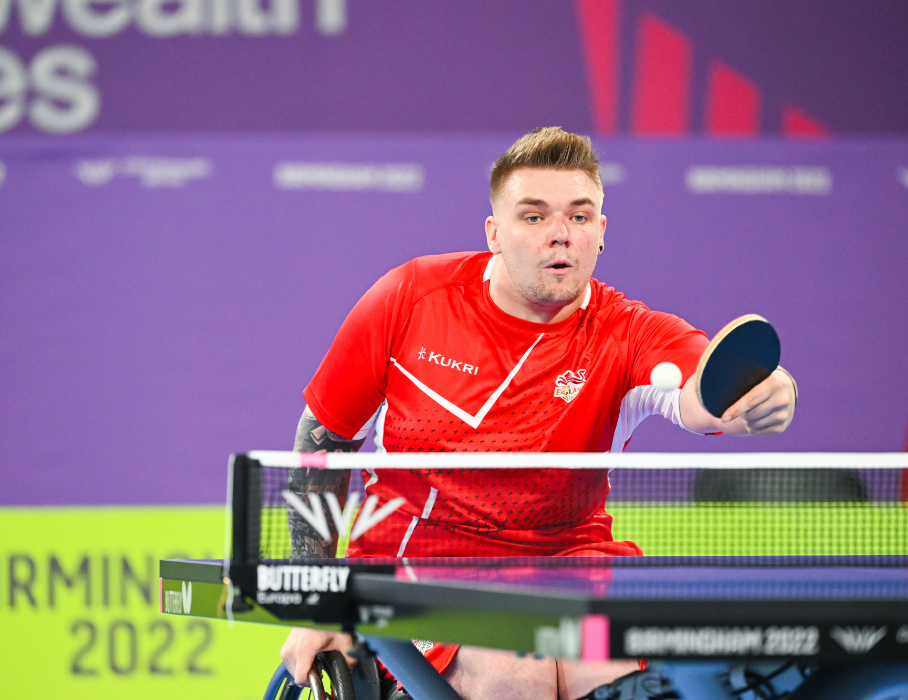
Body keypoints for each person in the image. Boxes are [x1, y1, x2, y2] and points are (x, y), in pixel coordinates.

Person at [280, 127, 797, 699]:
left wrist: (767, 391)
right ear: (494, 233)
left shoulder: (627, 332)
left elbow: (703, 392)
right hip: (420, 569)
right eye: (534, 217)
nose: (560, 235)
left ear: (601, 233)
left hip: (572, 567)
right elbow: (322, 440)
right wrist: (318, 599)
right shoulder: (409, 298)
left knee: (632, 665)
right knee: (513, 669)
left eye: (580, 217)